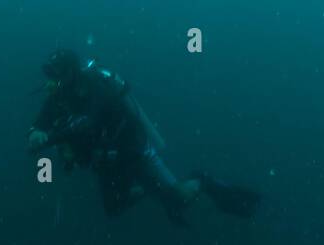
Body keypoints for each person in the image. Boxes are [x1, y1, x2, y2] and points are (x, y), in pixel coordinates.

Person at [28, 49, 261, 225]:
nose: (52, 79)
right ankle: (156, 192)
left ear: (71, 71)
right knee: (114, 208)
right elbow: (40, 122)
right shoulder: (59, 96)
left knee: (179, 197)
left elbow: (87, 121)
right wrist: (36, 133)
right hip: (106, 161)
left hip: (133, 150)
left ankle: (202, 180)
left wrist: (50, 139)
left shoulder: (96, 87)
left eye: (57, 73)